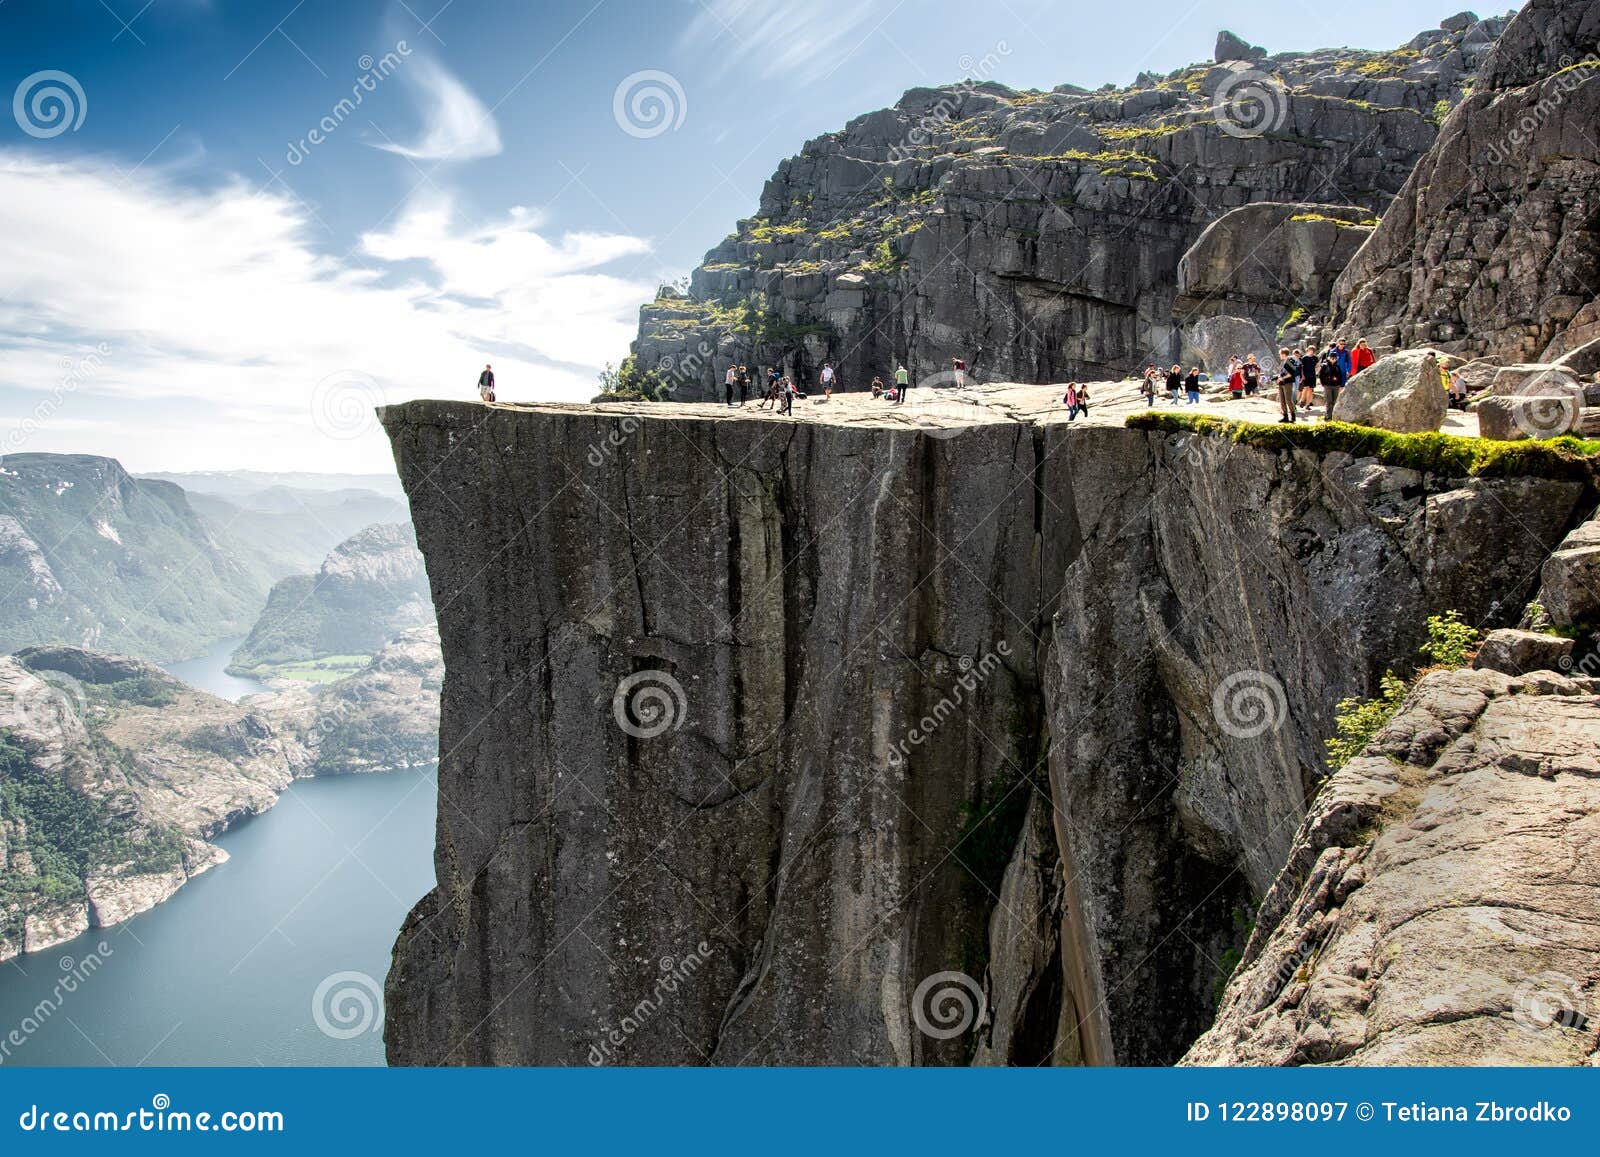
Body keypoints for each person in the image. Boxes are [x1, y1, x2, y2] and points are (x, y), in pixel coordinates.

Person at [1318, 347, 1346, 419]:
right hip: (1328, 385)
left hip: (1336, 385)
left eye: (1335, 358)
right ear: (1329, 358)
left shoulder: (1337, 366)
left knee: (1334, 401)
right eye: (1332, 358)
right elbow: (1321, 375)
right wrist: (1323, 383)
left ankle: (1333, 415)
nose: (1333, 359)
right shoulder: (1325, 366)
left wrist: (1339, 383)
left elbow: (1340, 375)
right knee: (1328, 401)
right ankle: (1328, 416)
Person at [1275, 347, 1298, 423]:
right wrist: (1278, 377)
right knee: (1282, 401)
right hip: (1281, 383)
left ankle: (1293, 416)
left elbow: (1291, 373)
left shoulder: (1290, 361)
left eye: (1280, 354)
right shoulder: (1283, 362)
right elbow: (1282, 372)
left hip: (1288, 383)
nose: (1279, 355)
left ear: (1284, 354)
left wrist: (1282, 378)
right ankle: (1285, 416)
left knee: (1288, 400)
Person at [1298, 346, 1318, 413]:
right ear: (1307, 350)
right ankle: (1302, 400)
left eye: (1312, 350)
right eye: (1310, 350)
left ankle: (1308, 404)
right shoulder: (1304, 358)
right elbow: (1301, 367)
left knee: (1310, 390)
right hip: (1306, 375)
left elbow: (1316, 366)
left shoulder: (1315, 358)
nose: (1311, 351)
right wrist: (1302, 375)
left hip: (1312, 375)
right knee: (1305, 388)